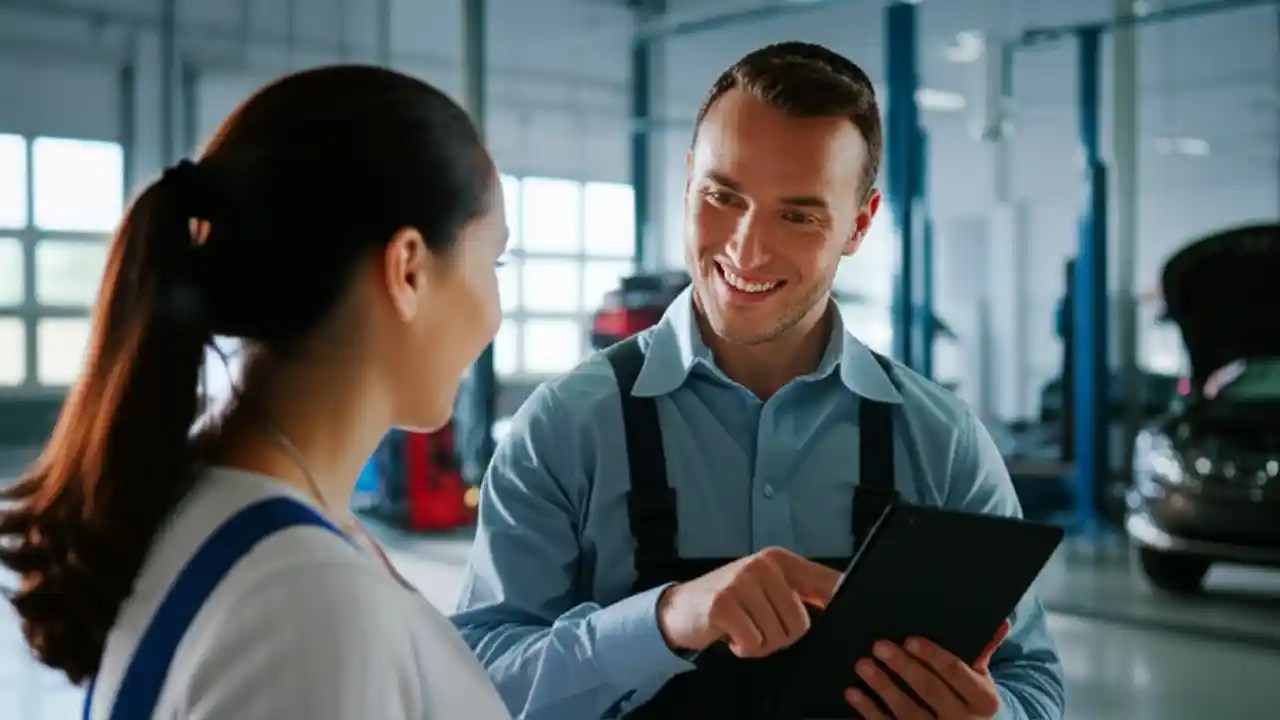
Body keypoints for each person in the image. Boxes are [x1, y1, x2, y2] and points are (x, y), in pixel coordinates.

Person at [452, 42, 1065, 720]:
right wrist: (663, 620)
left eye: (798, 215)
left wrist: (989, 715)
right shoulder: (565, 429)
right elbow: (477, 687)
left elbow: (1031, 685)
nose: (746, 249)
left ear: (859, 225)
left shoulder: (941, 442)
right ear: (688, 180)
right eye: (722, 196)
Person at [0, 65, 512, 720]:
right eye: (494, 262)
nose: (496, 312)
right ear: (407, 268)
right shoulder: (311, 596)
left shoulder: (222, 504)